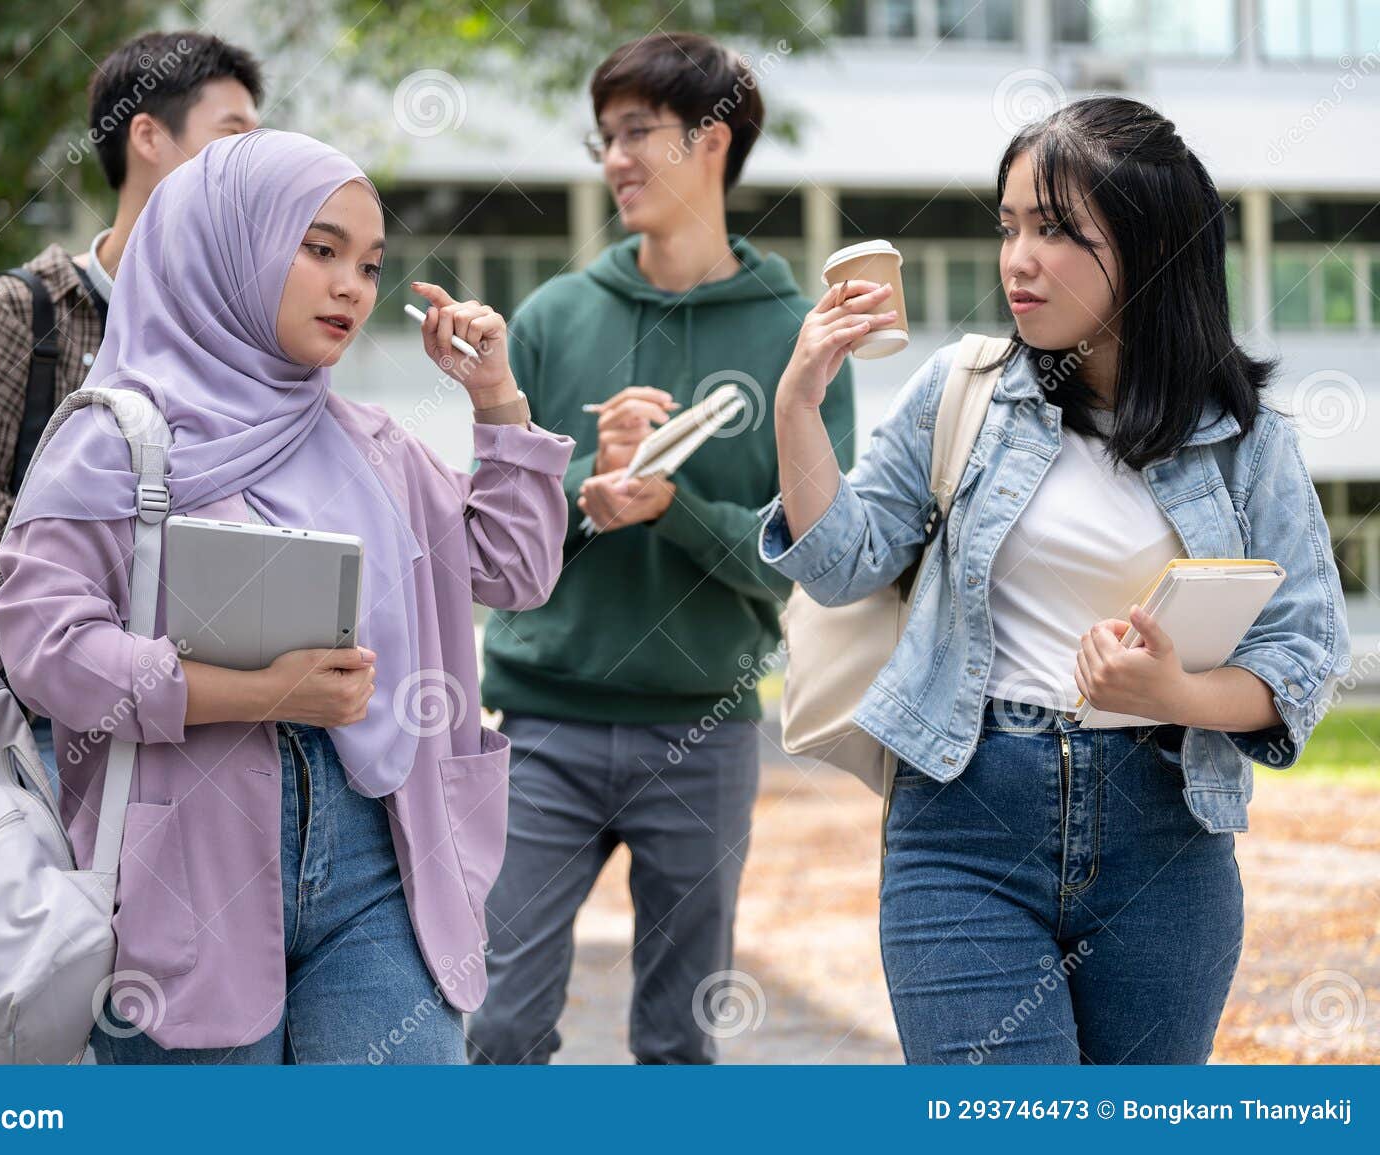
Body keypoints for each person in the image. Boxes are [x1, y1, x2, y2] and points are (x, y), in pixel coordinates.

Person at [760, 96, 1352, 1064]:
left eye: (1055, 230)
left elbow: (1301, 652)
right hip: (964, 819)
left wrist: (1177, 693)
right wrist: (797, 407)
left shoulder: (1249, 441)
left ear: (1150, 247)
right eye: (1008, 227)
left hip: (1165, 837)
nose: (1017, 260)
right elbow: (841, 565)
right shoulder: (965, 391)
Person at [0, 129, 574, 1063]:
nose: (351, 285)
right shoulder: (117, 443)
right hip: (183, 872)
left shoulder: (372, 443)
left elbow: (514, 566)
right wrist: (266, 693)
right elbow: (48, 651)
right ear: (227, 248)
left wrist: (496, 398)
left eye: (371, 264)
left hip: (381, 862)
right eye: (321, 248)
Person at [467, 32, 859, 1065]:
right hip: (542, 724)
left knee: (679, 1042)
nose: (615, 160)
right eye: (605, 137)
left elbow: (820, 555)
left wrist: (671, 507)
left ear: (712, 141)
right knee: (496, 1028)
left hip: (705, 732)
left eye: (639, 132)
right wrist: (588, 497)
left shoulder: (797, 338)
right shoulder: (552, 318)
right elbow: (497, 538)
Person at [0, 30, 263, 794]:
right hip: (39, 728)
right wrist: (96, 609)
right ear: (148, 136)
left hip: (204, 732)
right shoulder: (28, 312)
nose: (252, 164)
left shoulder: (248, 332)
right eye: (232, 135)